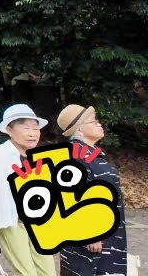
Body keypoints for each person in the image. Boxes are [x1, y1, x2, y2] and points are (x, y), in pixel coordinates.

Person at [0, 104, 55, 276]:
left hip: (39, 223)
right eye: (26, 128)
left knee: (48, 271)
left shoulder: (40, 157)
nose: (32, 133)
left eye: (36, 128)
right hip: (11, 221)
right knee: (26, 273)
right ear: (9, 130)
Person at [56, 104, 126, 276]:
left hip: (110, 237)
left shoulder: (91, 153)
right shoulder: (73, 155)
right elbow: (70, 196)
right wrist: (89, 233)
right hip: (90, 243)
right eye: (93, 121)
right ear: (79, 130)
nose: (99, 124)